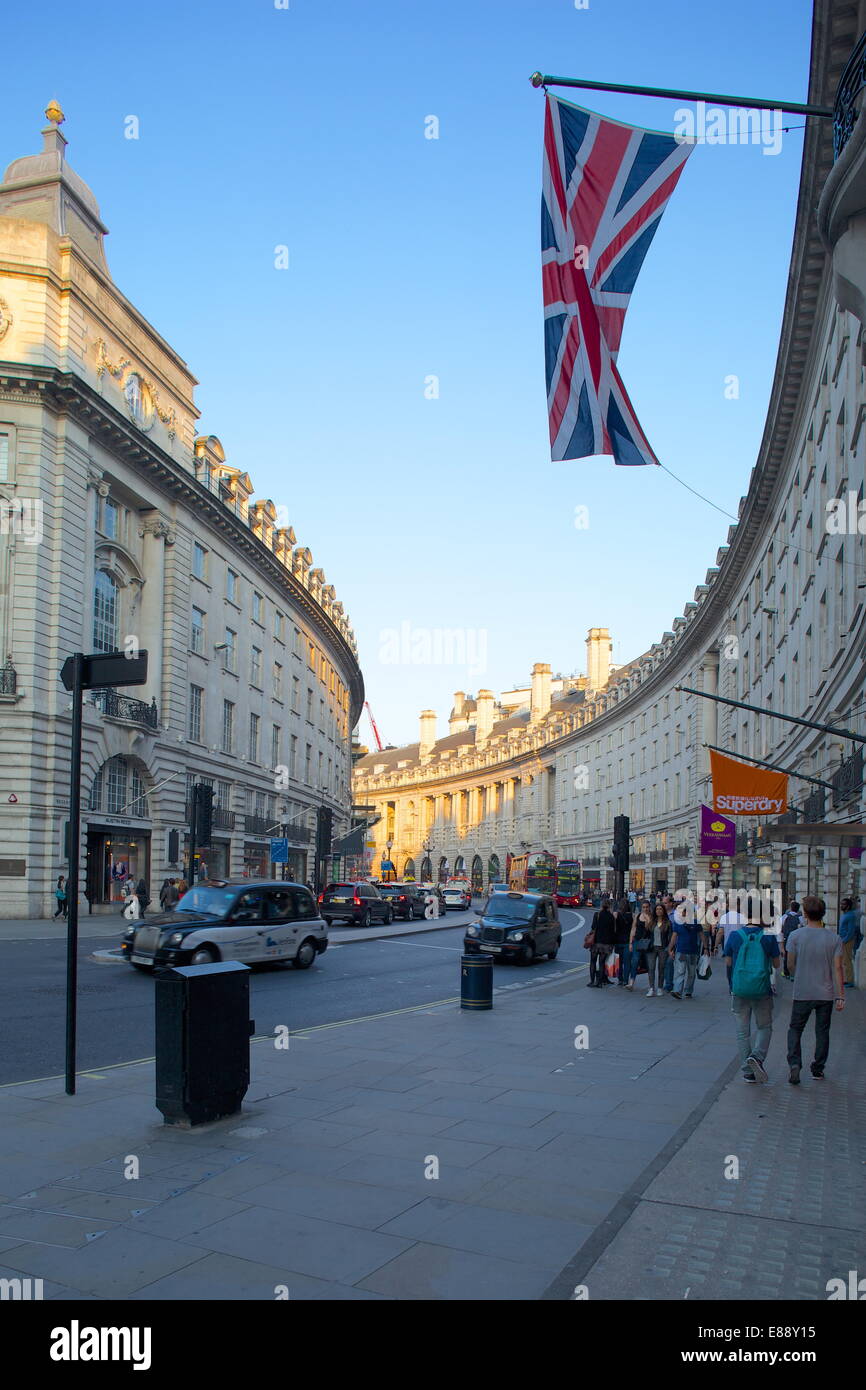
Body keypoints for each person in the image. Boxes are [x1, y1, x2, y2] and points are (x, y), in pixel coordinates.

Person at [785, 895, 845, 1083]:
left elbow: (790, 964)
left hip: (802, 990)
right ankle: (818, 1068)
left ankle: (795, 1064)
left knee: (795, 1029)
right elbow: (837, 968)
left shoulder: (795, 936)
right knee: (822, 1031)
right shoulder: (834, 939)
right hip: (825, 993)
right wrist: (840, 995)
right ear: (823, 913)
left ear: (805, 914)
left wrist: (797, 975)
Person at [724, 898, 780, 1083]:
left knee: (742, 1031)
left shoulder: (735, 936)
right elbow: (776, 963)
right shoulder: (768, 936)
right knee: (764, 1026)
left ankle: (747, 1071)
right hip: (762, 989)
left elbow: (729, 962)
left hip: (739, 989)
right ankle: (757, 1057)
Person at [669, 897, 707, 999]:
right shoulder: (678, 922)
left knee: (691, 973)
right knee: (680, 972)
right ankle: (677, 991)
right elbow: (674, 936)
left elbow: (702, 935)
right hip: (681, 951)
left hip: (693, 951)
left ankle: (688, 991)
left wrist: (706, 948)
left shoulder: (695, 922)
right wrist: (671, 948)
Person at [588, 896, 616, 987]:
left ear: (601, 905)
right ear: (609, 906)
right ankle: (599, 983)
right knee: (602, 963)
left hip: (596, 942)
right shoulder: (611, 917)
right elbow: (613, 931)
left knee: (592, 961)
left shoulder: (597, 915)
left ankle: (592, 981)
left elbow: (593, 927)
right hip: (606, 944)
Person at [628, 899, 654, 992]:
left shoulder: (652, 917)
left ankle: (651, 985)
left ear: (649, 907)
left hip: (647, 943)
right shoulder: (637, 916)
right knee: (634, 961)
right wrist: (630, 942)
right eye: (644, 907)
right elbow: (633, 929)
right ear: (641, 908)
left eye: (647, 907)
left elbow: (649, 929)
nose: (645, 909)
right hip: (637, 942)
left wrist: (647, 919)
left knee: (649, 964)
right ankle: (631, 983)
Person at [777, 899, 803, 979]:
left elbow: (780, 929)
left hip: (787, 938)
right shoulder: (801, 918)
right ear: (798, 909)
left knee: (786, 955)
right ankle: (795, 973)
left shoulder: (784, 917)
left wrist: (780, 945)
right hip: (798, 939)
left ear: (791, 907)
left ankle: (786, 972)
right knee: (796, 956)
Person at [838, 897, 859, 987]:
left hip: (847, 940)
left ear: (848, 906)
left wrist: (844, 940)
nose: (841, 906)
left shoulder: (850, 916)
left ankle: (850, 981)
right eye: (841, 904)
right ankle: (846, 979)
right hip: (842, 939)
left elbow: (851, 931)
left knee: (847, 961)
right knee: (844, 961)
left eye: (843, 904)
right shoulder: (844, 915)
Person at [613, 897, 633, 987]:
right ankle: (625, 980)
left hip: (617, 941)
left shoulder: (617, 915)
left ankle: (620, 979)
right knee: (627, 962)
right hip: (627, 941)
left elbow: (613, 927)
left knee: (619, 962)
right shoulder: (631, 916)